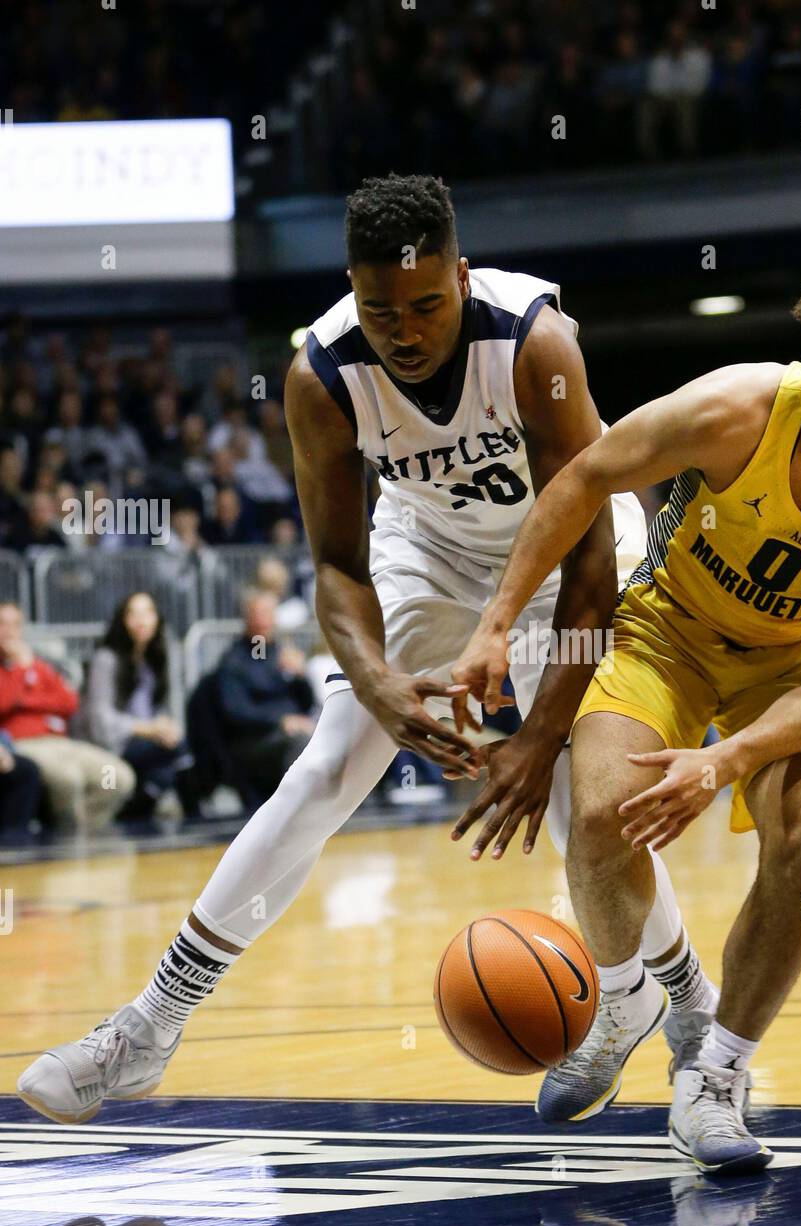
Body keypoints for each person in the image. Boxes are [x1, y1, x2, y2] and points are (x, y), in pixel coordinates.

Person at [18, 173, 703, 1127]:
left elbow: (587, 547)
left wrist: (540, 736)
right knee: (327, 767)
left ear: (462, 277)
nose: (407, 330)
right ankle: (148, 1030)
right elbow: (337, 566)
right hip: (425, 552)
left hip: (566, 560)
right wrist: (378, 683)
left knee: (582, 798)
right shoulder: (323, 375)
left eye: (427, 304)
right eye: (383, 310)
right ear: (351, 288)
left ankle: (681, 1013)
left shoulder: (534, 343)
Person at [453, 250, 801, 1174]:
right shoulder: (734, 408)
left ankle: (715, 1080)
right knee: (603, 810)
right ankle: (622, 1002)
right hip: (668, 635)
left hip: (796, 666)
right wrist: (495, 623)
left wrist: (724, 763)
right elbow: (581, 479)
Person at [0, 602, 136, 832]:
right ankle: (67, 838)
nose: (9, 631)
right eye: (2, 624)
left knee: (115, 776)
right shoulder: (21, 666)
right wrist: (22, 672)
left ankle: (82, 833)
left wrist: (26, 698)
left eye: (15, 624)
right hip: (24, 745)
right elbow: (5, 703)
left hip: (63, 744)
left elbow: (68, 702)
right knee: (69, 779)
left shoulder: (39, 665)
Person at [76, 592, 198, 823]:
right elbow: (100, 722)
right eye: (133, 614)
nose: (142, 620)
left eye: (148, 613)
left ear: (158, 620)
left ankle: (141, 811)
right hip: (110, 745)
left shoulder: (154, 660)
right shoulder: (106, 659)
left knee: (170, 758)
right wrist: (148, 729)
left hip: (140, 743)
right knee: (178, 751)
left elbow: (156, 709)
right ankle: (193, 817)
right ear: (122, 621)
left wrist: (163, 725)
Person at [214, 588, 316, 805]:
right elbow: (236, 712)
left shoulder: (282, 653)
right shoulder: (234, 660)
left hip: (290, 731)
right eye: (257, 613)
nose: (263, 620)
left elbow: (307, 704)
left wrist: (300, 676)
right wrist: (280, 721)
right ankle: (294, 809)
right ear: (247, 618)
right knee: (299, 741)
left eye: (268, 613)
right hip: (253, 742)